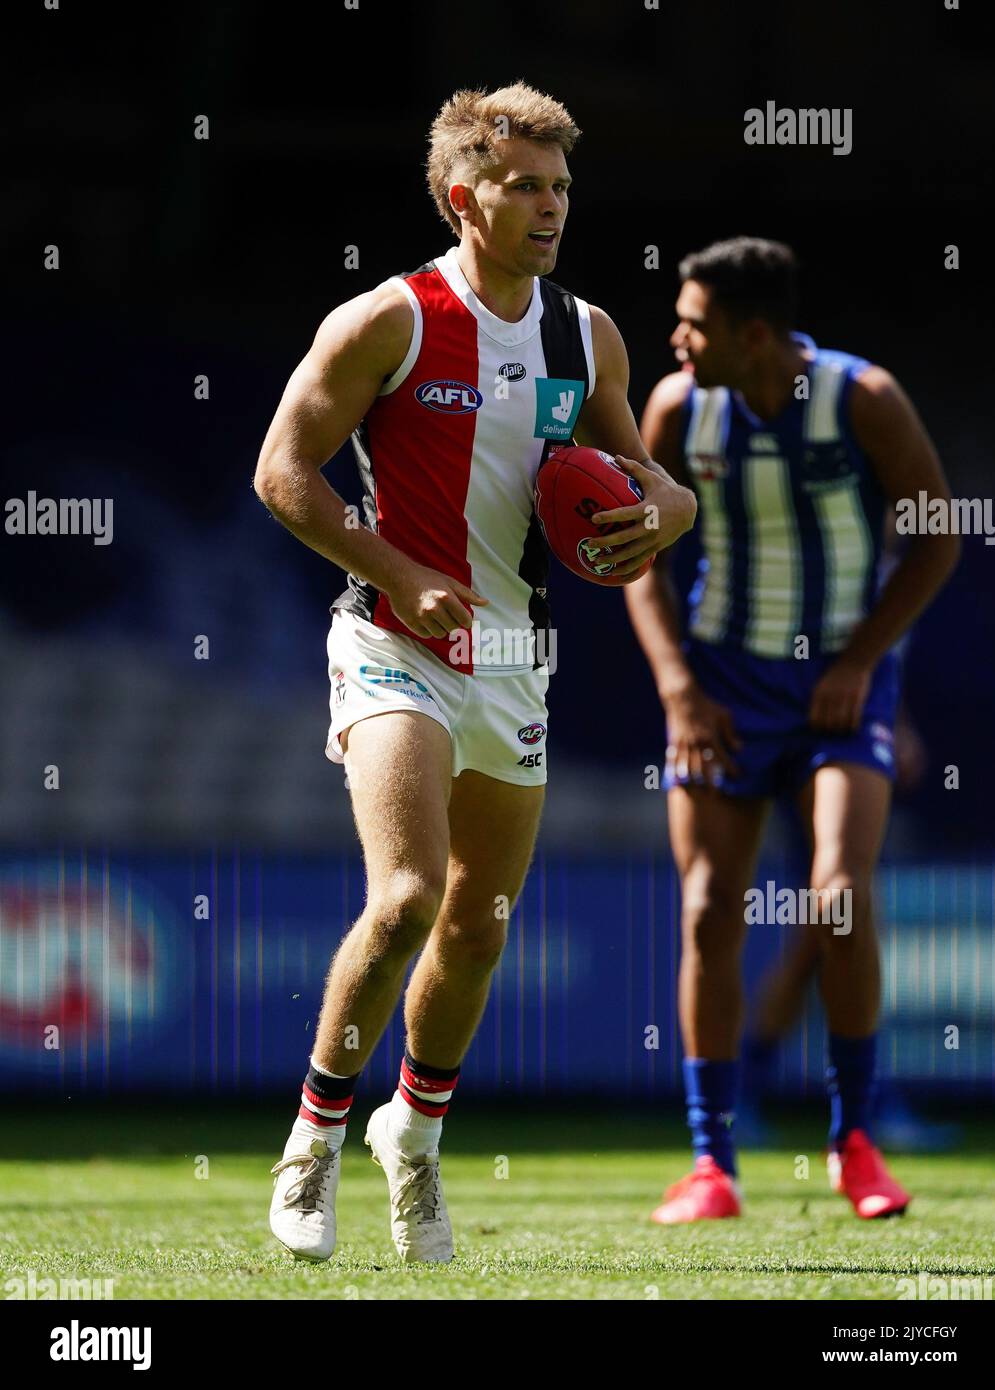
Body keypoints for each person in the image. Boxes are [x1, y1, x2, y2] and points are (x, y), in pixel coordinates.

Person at [253, 81, 696, 1262]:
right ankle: (313, 1141)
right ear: (465, 198)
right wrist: (394, 569)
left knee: (478, 925)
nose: (549, 206)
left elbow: (641, 475)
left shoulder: (584, 332)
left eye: (559, 186)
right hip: (394, 640)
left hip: (513, 658)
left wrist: (668, 505)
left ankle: (418, 1138)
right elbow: (283, 473)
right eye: (523, 186)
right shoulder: (385, 321)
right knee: (404, 897)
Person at [624, 237, 959, 1222]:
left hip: (835, 697)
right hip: (720, 693)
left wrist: (857, 662)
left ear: (753, 333)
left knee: (838, 895)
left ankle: (854, 1140)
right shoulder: (679, 408)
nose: (676, 338)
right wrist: (679, 687)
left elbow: (935, 535)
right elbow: (638, 557)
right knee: (704, 908)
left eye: (692, 323)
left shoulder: (863, 398)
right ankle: (708, 1163)